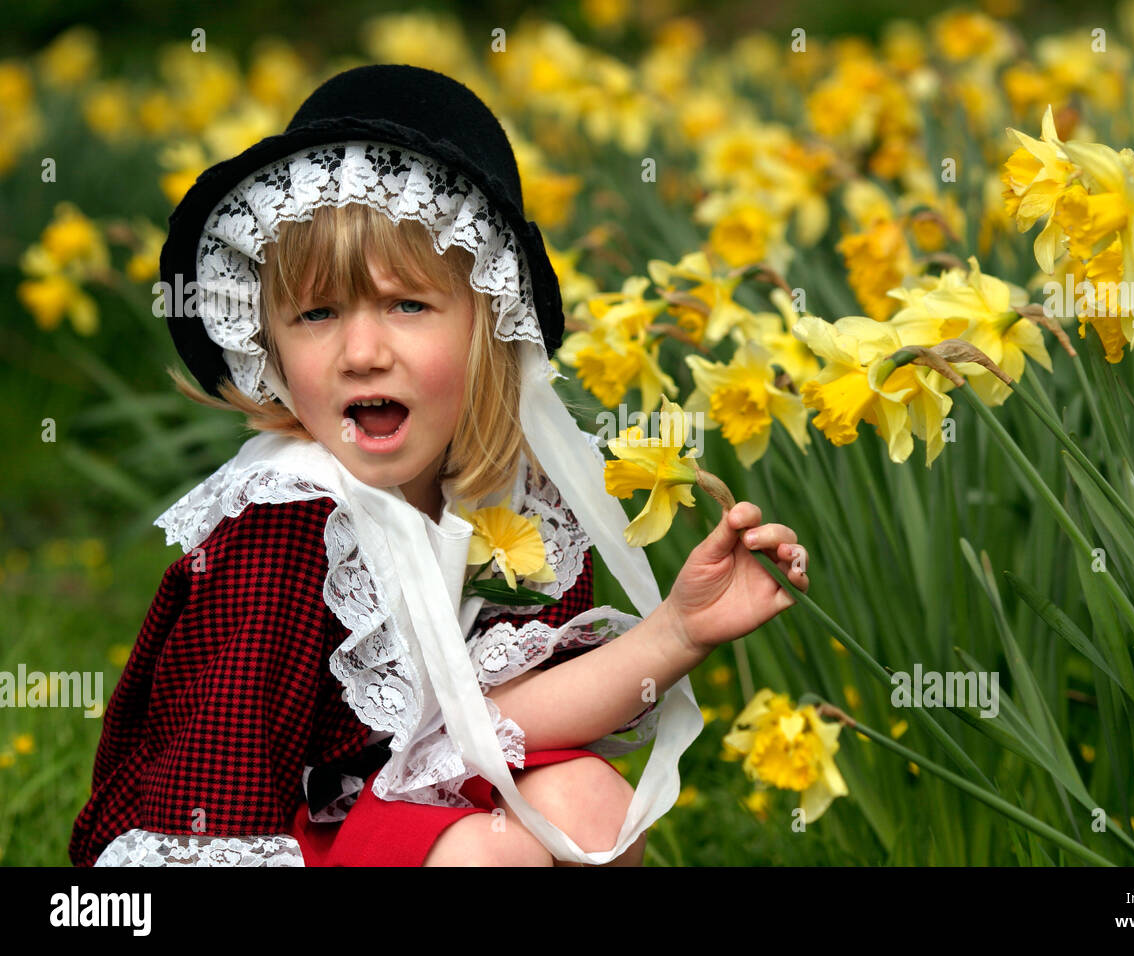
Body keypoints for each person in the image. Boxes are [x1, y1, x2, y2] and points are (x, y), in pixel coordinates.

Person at [68, 64, 810, 867]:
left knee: (592, 800)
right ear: (270, 344)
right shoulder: (281, 528)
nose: (361, 353)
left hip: (403, 806)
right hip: (271, 838)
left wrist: (680, 630)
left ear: (489, 326)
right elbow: (214, 788)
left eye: (406, 304)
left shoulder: (514, 503)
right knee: (491, 855)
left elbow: (496, 719)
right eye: (317, 314)